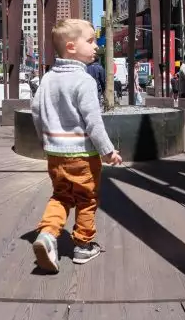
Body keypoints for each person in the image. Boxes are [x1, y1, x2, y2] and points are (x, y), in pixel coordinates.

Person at [30, 19, 123, 273]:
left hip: (55, 154)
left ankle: (48, 234)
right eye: (91, 41)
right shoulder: (84, 81)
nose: (96, 46)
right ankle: (83, 245)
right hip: (83, 155)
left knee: (61, 196)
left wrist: (44, 140)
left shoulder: (47, 79)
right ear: (71, 47)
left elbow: (36, 111)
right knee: (86, 198)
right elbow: (93, 122)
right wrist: (107, 151)